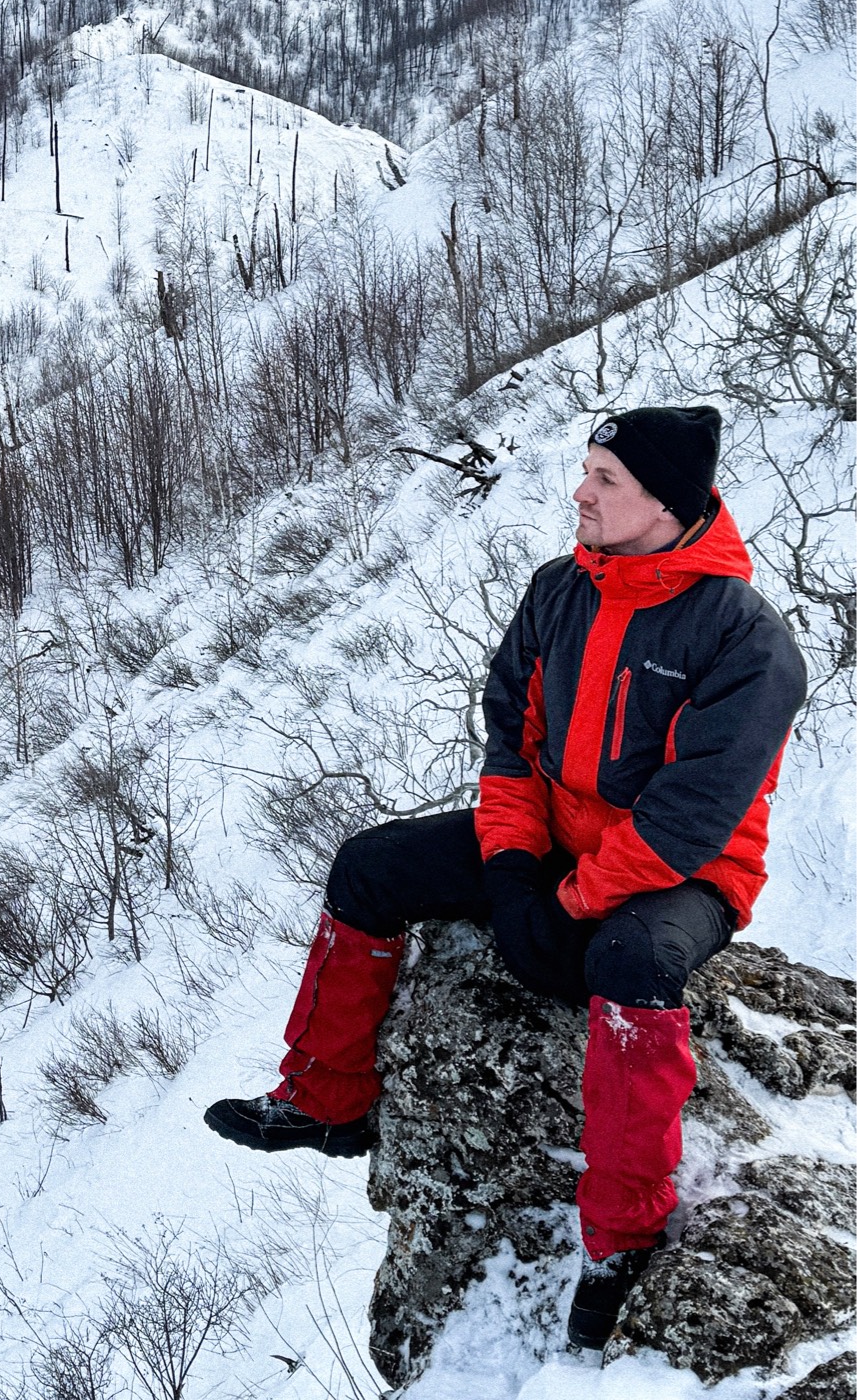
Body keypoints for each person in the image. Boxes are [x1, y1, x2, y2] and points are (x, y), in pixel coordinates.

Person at [204, 405, 807, 1353]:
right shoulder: (559, 590)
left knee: (630, 964)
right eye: (586, 472)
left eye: (606, 480)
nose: (581, 493)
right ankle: (328, 1100)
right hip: (556, 839)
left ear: (665, 503)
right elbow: (508, 749)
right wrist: (516, 870)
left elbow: (690, 820)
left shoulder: (744, 640)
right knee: (369, 868)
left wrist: (567, 903)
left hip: (684, 872)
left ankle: (621, 1233)